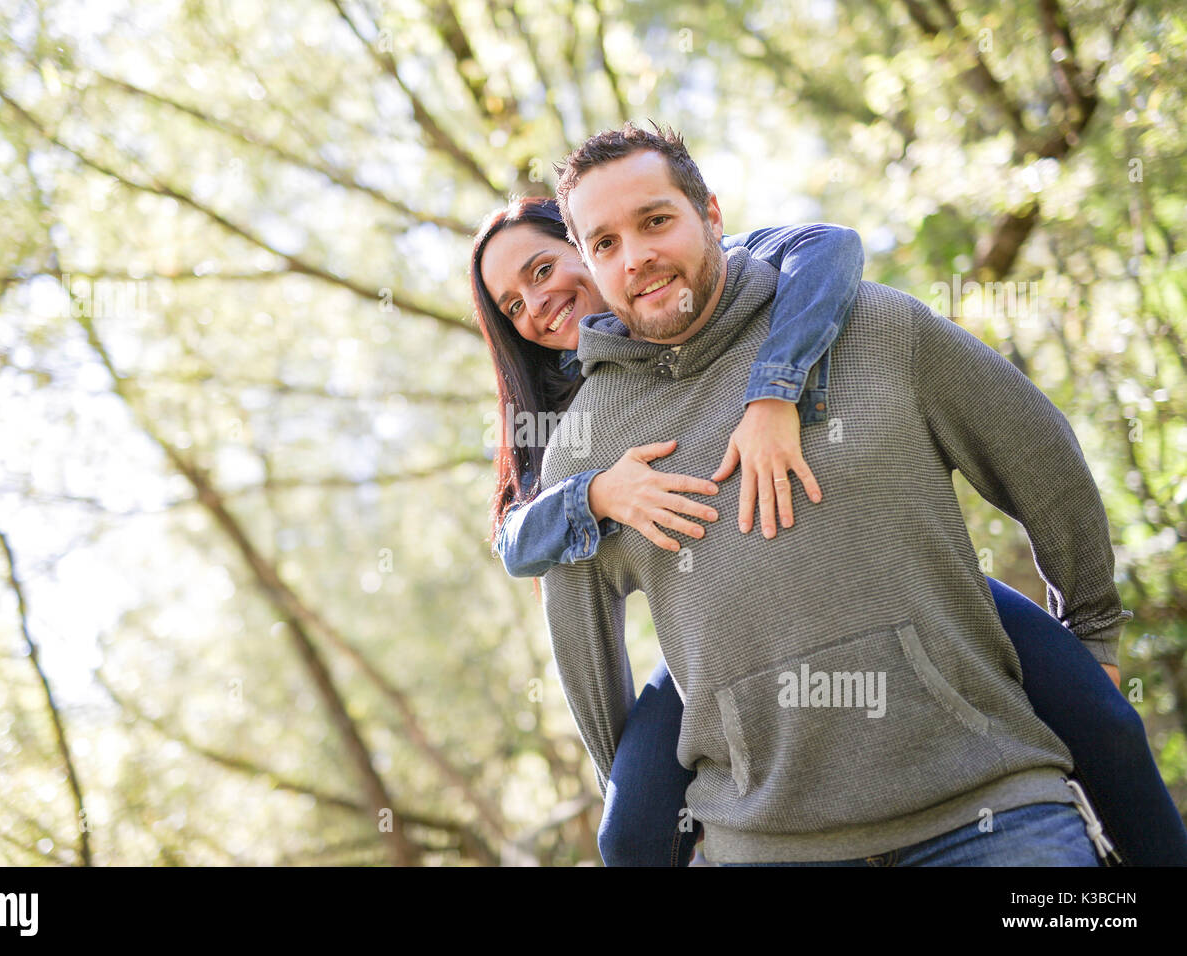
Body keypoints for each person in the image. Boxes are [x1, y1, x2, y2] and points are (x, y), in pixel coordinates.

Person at [472, 123, 1187, 866]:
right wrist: (590, 496)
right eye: (606, 243)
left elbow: (1036, 447)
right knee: (624, 835)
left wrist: (1093, 622)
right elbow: (552, 585)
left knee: (1105, 721)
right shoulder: (579, 444)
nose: (542, 299)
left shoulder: (853, 316)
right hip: (766, 833)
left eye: (655, 220)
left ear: (709, 215)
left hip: (988, 811)